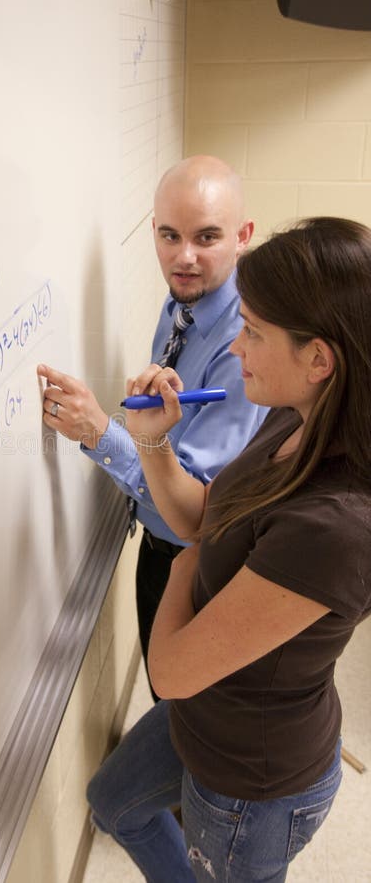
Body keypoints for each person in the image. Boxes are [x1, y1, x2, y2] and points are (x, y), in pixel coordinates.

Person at [86, 216, 371, 882]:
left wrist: (189, 558)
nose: (237, 348)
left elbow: (175, 671)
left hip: (253, 778)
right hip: (205, 719)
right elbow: (205, 517)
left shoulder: (336, 526)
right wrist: (153, 440)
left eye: (254, 332)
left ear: (319, 358)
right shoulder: (294, 413)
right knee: (114, 804)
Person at [38, 156, 267, 699]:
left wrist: (100, 433)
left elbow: (193, 510)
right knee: (171, 708)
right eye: (169, 235)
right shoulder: (183, 304)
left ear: (243, 237)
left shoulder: (246, 347)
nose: (183, 258)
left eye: (206, 237)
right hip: (158, 547)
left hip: (201, 564)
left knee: (188, 714)